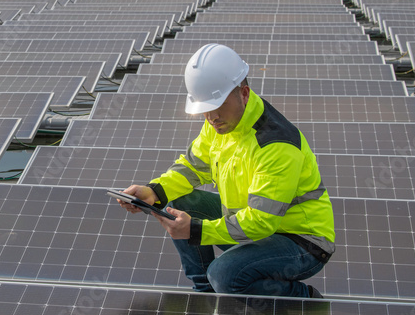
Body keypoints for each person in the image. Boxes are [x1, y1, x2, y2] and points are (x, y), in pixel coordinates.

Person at [117, 43, 335, 298]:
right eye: (205, 109)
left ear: (243, 93)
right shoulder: (220, 122)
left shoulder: (276, 145)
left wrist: (197, 230)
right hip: (251, 224)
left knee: (225, 275)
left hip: (301, 241)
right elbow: (192, 167)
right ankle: (205, 294)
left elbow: (262, 220)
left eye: (217, 105)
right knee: (178, 204)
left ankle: (304, 299)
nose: (211, 117)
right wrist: (154, 191)